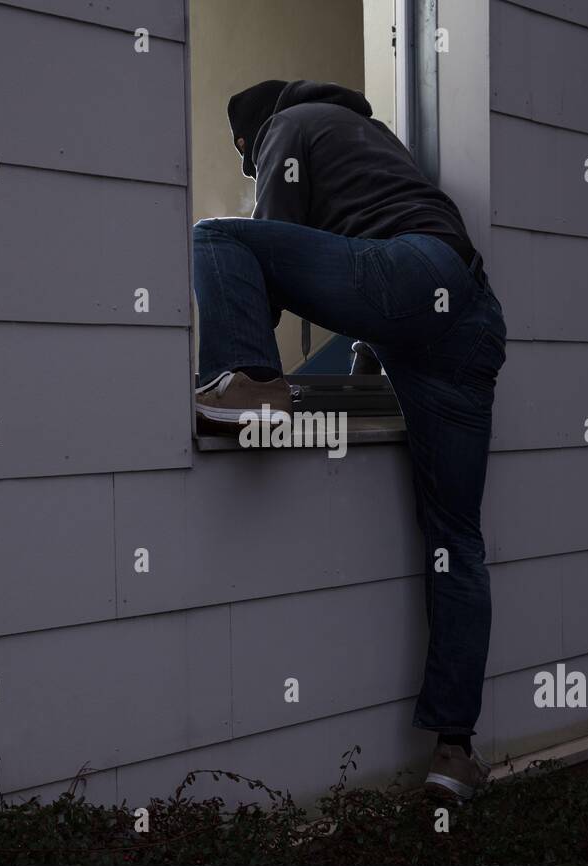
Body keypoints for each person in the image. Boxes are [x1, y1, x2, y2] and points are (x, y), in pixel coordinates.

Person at [192, 79, 507, 800]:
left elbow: (263, 256)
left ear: (249, 138)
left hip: (413, 277)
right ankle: (454, 755)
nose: (253, 165)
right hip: (468, 312)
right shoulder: (369, 139)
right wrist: (365, 360)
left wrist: (238, 348)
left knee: (215, 238)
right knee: (456, 538)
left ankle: (244, 386)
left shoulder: (285, 128)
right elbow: (362, 260)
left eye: (248, 160)